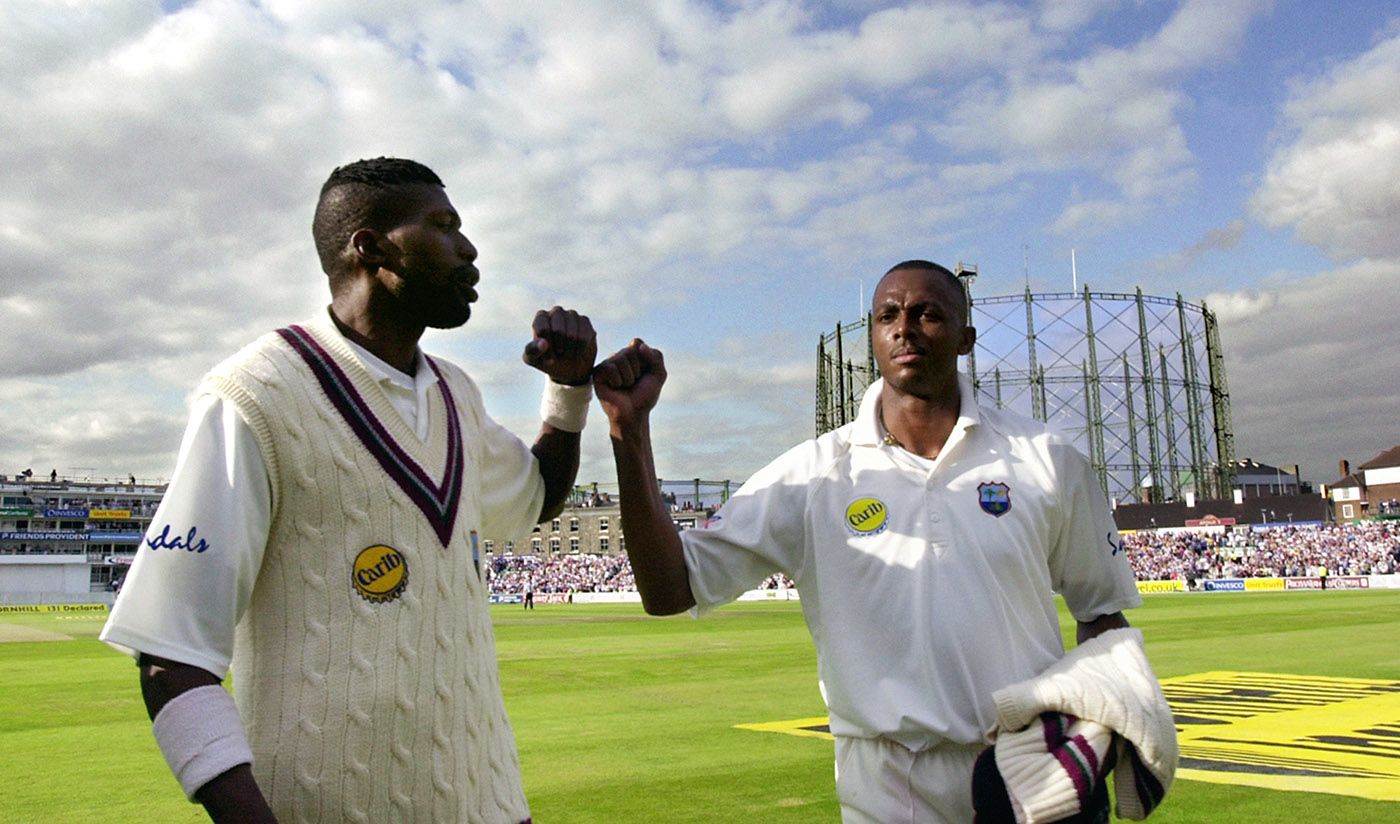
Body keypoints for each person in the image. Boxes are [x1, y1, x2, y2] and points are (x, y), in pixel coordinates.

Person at [101, 157, 597, 824]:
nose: (469, 249)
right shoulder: (254, 396)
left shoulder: (458, 394)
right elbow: (171, 657)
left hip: (494, 806)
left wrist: (567, 392)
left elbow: (537, 499)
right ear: (370, 248)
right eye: (444, 226)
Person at [593, 260, 1142, 823]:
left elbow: (1101, 612)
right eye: (888, 315)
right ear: (875, 338)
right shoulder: (812, 476)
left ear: (965, 339)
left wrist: (1104, 718)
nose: (905, 327)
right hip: (886, 788)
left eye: (928, 313)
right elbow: (668, 590)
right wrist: (629, 432)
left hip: (1028, 775)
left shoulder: (1046, 459)